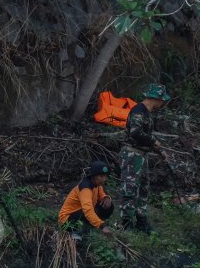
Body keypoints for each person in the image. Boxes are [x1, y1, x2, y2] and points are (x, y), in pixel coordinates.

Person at [119, 83, 171, 233]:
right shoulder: (138, 111)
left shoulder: (148, 113)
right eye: (162, 99)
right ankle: (126, 224)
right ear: (156, 98)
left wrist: (161, 152)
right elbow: (135, 132)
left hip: (141, 155)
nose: (163, 103)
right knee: (129, 189)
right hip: (131, 154)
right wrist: (154, 141)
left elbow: (145, 137)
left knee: (143, 188)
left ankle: (142, 222)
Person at [59, 160, 114, 237]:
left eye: (105, 176)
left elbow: (101, 194)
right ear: (94, 176)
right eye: (101, 176)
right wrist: (102, 226)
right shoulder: (86, 188)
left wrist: (106, 197)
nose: (104, 179)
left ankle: (92, 225)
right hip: (67, 220)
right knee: (85, 212)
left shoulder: (97, 184)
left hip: (81, 213)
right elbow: (88, 210)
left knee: (109, 205)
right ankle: (75, 233)